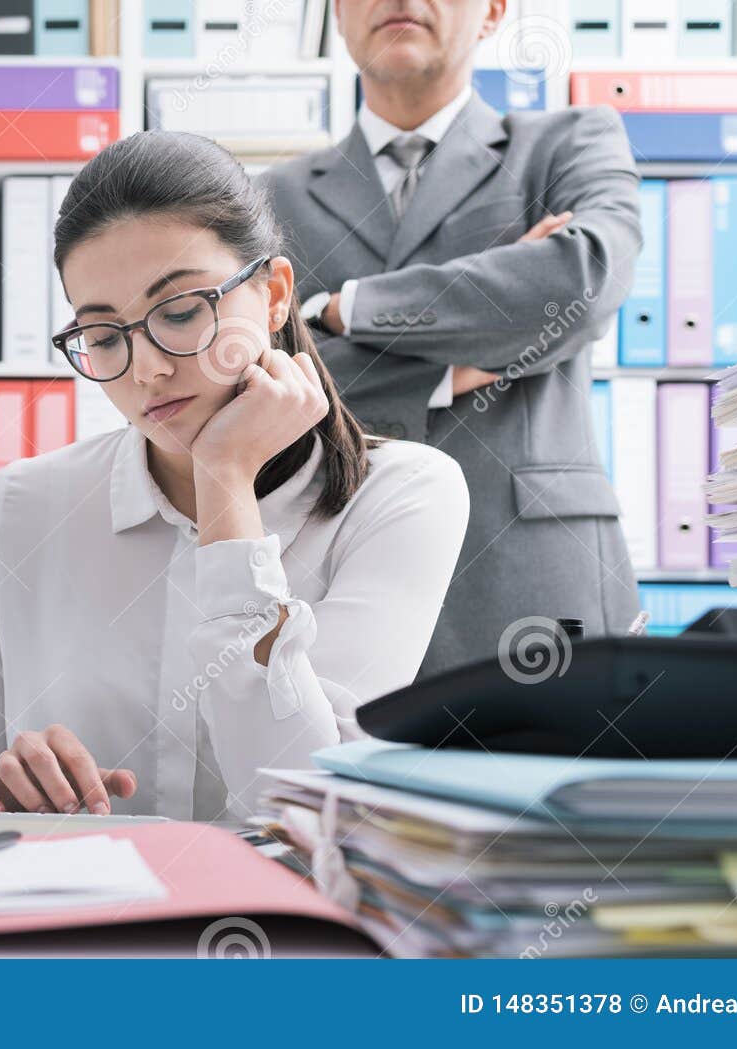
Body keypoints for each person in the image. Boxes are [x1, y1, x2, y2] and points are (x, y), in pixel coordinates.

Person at [0, 131, 469, 820]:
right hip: (82, 893)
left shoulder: (404, 494)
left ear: (274, 295)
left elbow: (305, 807)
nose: (147, 369)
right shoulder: (15, 509)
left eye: (180, 313)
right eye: (103, 336)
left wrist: (225, 480)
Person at [260, 0, 643, 677]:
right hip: (335, 576)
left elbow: (579, 282)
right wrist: (459, 359)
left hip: (532, 574)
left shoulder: (569, 142)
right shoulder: (269, 198)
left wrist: (342, 310)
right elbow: (257, 379)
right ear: (338, 14)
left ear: (492, 13)